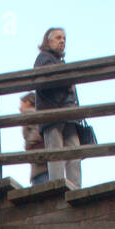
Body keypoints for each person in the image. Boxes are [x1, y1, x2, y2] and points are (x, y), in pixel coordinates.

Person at [33, 27, 82, 187]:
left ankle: (74, 187)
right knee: (57, 153)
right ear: (48, 41)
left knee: (73, 152)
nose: (62, 41)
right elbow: (43, 82)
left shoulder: (58, 61)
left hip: (66, 113)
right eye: (58, 38)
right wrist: (67, 83)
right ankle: (58, 187)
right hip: (53, 114)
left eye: (64, 38)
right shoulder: (43, 58)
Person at [19, 93, 48, 186]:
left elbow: (36, 131)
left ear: (27, 102)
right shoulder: (37, 112)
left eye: (21, 104)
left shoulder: (29, 113)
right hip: (45, 164)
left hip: (39, 166)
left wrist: (28, 146)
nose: (19, 107)